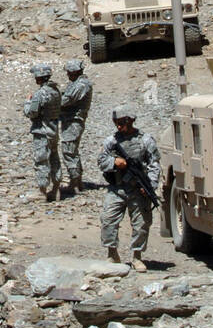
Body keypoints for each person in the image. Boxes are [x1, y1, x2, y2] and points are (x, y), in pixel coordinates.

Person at [96, 106, 161, 272]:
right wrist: (114, 163)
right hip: (117, 189)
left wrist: (150, 187)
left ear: (130, 121)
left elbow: (154, 165)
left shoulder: (146, 140)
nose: (119, 127)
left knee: (141, 223)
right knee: (108, 220)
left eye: (122, 123)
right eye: (116, 123)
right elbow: (101, 161)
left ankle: (137, 257)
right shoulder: (112, 141)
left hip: (137, 189)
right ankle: (112, 254)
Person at [23, 63, 62, 201]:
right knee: (54, 158)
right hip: (53, 129)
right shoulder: (56, 91)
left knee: (41, 160)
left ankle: (42, 192)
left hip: (42, 131)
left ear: (39, 78)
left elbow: (32, 113)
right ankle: (56, 189)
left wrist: (27, 102)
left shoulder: (40, 94)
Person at [59, 59, 92, 193]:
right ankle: (78, 182)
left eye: (70, 72)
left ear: (77, 72)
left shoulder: (81, 85)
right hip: (70, 121)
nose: (68, 75)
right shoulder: (76, 83)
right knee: (72, 150)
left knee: (69, 150)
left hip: (74, 122)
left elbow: (66, 100)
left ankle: (74, 182)